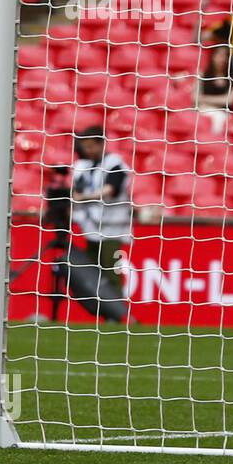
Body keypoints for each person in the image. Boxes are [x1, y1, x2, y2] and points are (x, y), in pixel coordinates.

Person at [70, 125, 132, 319]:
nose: (87, 151)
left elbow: (111, 189)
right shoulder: (83, 166)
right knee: (92, 273)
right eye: (85, 146)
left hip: (113, 230)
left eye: (91, 146)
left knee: (111, 271)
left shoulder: (115, 164)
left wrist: (86, 197)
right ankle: (99, 313)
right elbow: (74, 189)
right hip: (90, 228)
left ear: (101, 144)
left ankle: (116, 314)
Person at [193, 43, 233, 111]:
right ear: (213, 57)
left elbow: (229, 101)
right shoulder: (202, 74)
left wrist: (203, 99)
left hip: (224, 114)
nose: (223, 59)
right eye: (220, 55)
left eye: (226, 56)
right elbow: (194, 98)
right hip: (203, 110)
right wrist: (219, 100)